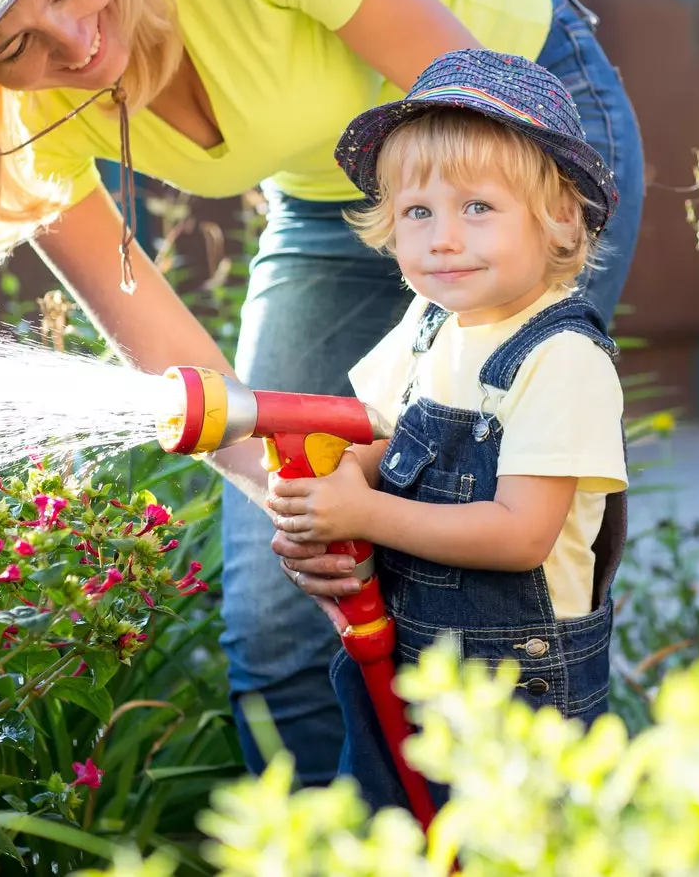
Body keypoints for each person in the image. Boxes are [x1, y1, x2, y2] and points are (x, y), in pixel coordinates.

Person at [0, 0, 643, 784]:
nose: (71, 46)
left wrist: (381, 480)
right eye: (12, 47)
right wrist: (304, 506)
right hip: (335, 196)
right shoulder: (12, 125)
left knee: (481, 562)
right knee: (278, 617)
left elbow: (477, 128)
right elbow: (183, 374)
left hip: (515, 124)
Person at [264, 48, 626, 810]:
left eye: (478, 208)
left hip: (519, 686)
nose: (443, 238)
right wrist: (328, 488)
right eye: (418, 212)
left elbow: (520, 532)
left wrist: (362, 513)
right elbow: (384, 439)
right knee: (396, 833)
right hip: (411, 656)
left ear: (560, 215)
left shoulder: (562, 358)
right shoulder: (430, 325)